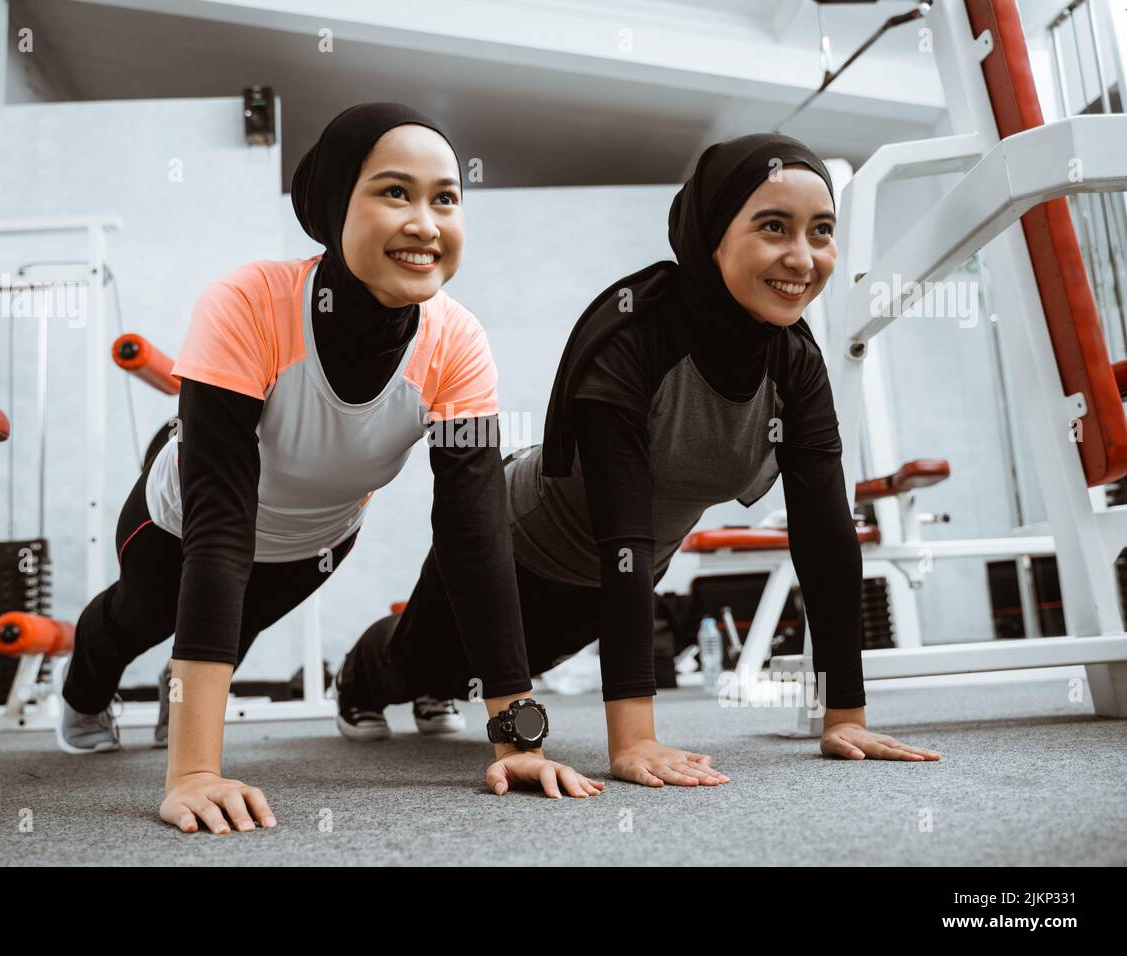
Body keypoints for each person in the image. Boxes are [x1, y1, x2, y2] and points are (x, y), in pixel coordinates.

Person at [58, 103, 601, 835]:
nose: (425, 222)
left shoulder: (458, 341)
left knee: (239, 624)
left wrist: (519, 738)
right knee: (137, 619)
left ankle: (179, 699)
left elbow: (475, 537)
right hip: (184, 523)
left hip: (315, 540)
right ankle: (86, 694)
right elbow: (220, 524)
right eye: (394, 192)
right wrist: (193, 775)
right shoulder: (246, 301)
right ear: (332, 205)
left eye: (446, 197)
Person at [338, 132, 941, 786]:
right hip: (513, 546)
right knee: (411, 664)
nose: (802, 257)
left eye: (820, 232)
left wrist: (843, 714)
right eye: (774, 227)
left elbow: (825, 534)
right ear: (712, 234)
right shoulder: (632, 337)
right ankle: (358, 678)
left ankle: (444, 688)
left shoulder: (795, 362)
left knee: (486, 672)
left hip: (619, 575)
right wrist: (635, 742)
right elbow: (619, 532)